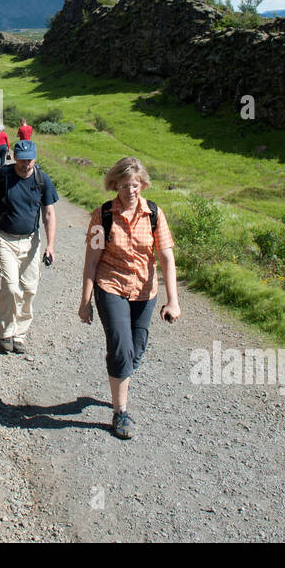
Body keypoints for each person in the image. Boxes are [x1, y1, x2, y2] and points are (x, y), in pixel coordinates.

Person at [78, 157, 181, 439]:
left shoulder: (155, 214)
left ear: (143, 184)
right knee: (121, 348)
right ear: (115, 185)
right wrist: (85, 301)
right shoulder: (104, 216)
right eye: (124, 185)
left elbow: (166, 258)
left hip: (145, 291)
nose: (130, 191)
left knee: (136, 349)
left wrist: (173, 300)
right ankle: (120, 412)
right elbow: (91, 262)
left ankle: (121, 371)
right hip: (111, 287)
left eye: (135, 185)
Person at [0, 139, 58, 355]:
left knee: (30, 290)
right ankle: (6, 333)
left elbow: (49, 214)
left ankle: (20, 335)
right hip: (4, 238)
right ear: (14, 157)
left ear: (36, 157)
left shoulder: (42, 179)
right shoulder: (3, 178)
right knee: (11, 287)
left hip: (31, 241)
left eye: (30, 159)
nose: (26, 164)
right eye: (22, 160)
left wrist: (50, 246)